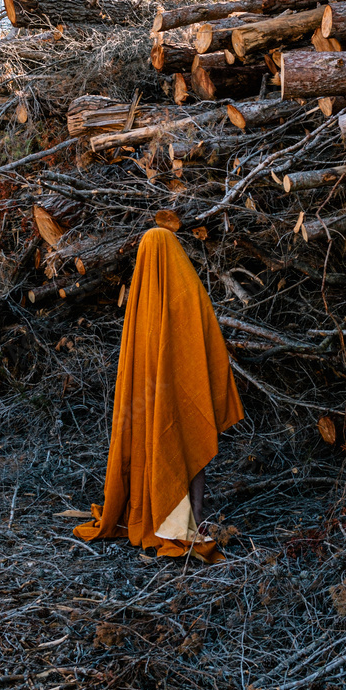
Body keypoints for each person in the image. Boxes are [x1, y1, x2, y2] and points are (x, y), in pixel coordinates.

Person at [74, 226, 243, 563]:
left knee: (167, 438)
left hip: (159, 395)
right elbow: (208, 345)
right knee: (188, 438)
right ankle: (191, 515)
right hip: (182, 392)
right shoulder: (188, 291)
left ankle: (169, 514)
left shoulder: (142, 297)